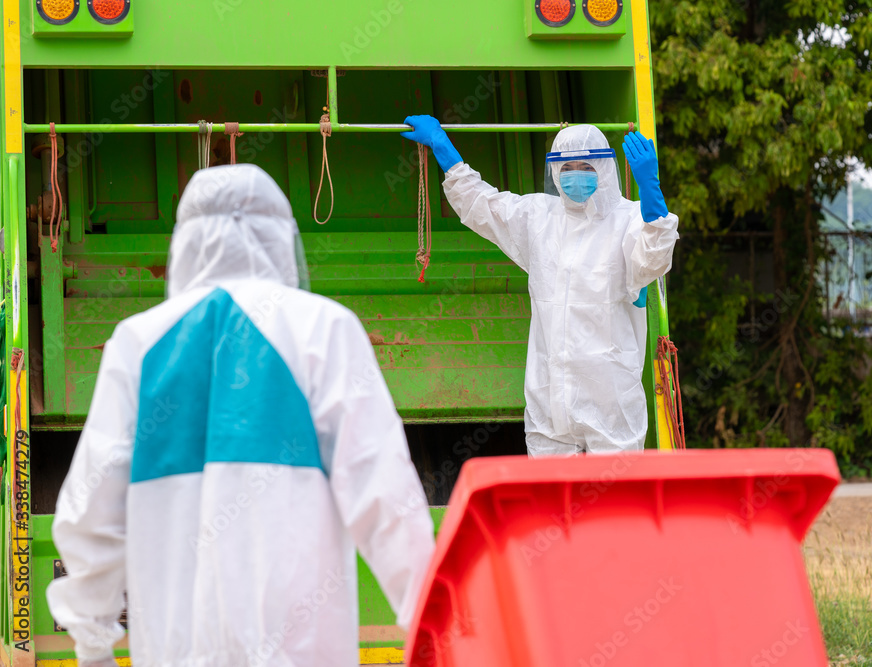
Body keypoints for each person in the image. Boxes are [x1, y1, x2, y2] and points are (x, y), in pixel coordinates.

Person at [46, 164, 435, 667]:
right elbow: (386, 498)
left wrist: (92, 642)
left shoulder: (137, 343)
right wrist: (432, 627)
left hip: (174, 651)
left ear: (184, 240)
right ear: (280, 235)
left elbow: (91, 510)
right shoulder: (324, 329)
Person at [402, 116, 679, 456]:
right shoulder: (539, 217)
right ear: (554, 172)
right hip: (550, 405)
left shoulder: (629, 221)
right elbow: (483, 206)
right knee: (550, 505)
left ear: (605, 169)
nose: (575, 175)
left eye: (586, 166)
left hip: (611, 406)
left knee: (613, 505)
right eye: (566, 167)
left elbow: (653, 260)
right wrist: (444, 149)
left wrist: (652, 197)